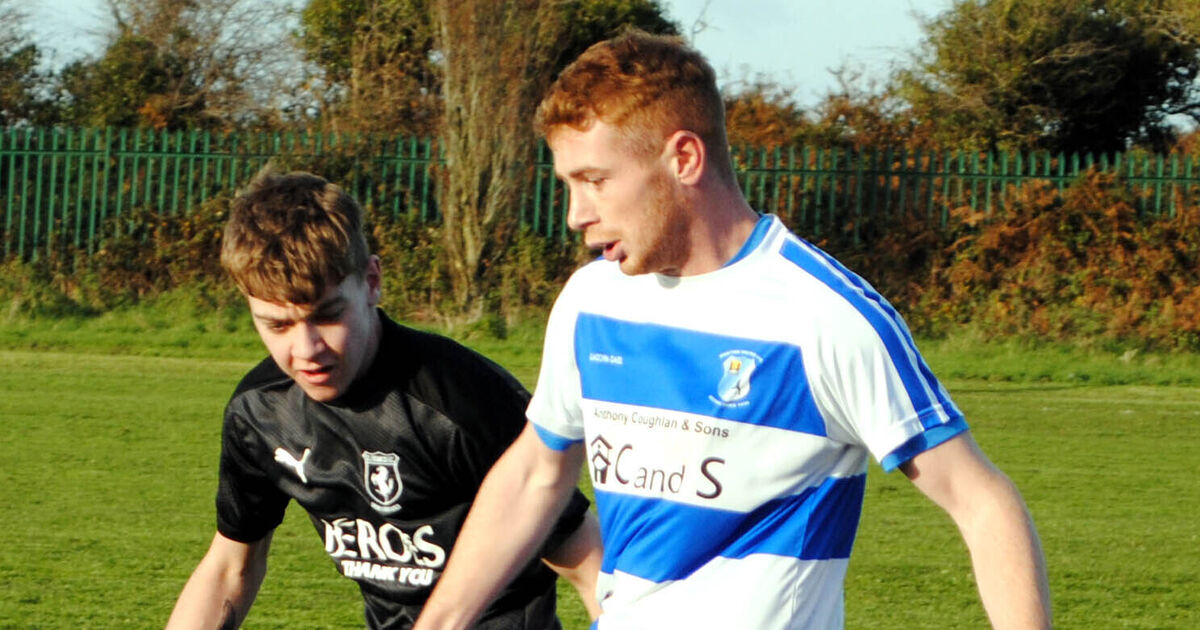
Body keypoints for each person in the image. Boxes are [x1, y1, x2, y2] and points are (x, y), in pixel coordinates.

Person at [413, 30, 1052, 630]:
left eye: (596, 181)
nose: (577, 214)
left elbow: (981, 500)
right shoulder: (591, 301)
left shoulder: (824, 316)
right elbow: (536, 475)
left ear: (684, 158)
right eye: (569, 185)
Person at [164, 171, 602, 630]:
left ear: (371, 281)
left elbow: (589, 566)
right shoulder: (260, 413)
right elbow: (230, 569)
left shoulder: (460, 402)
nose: (306, 349)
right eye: (277, 325)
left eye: (328, 315)